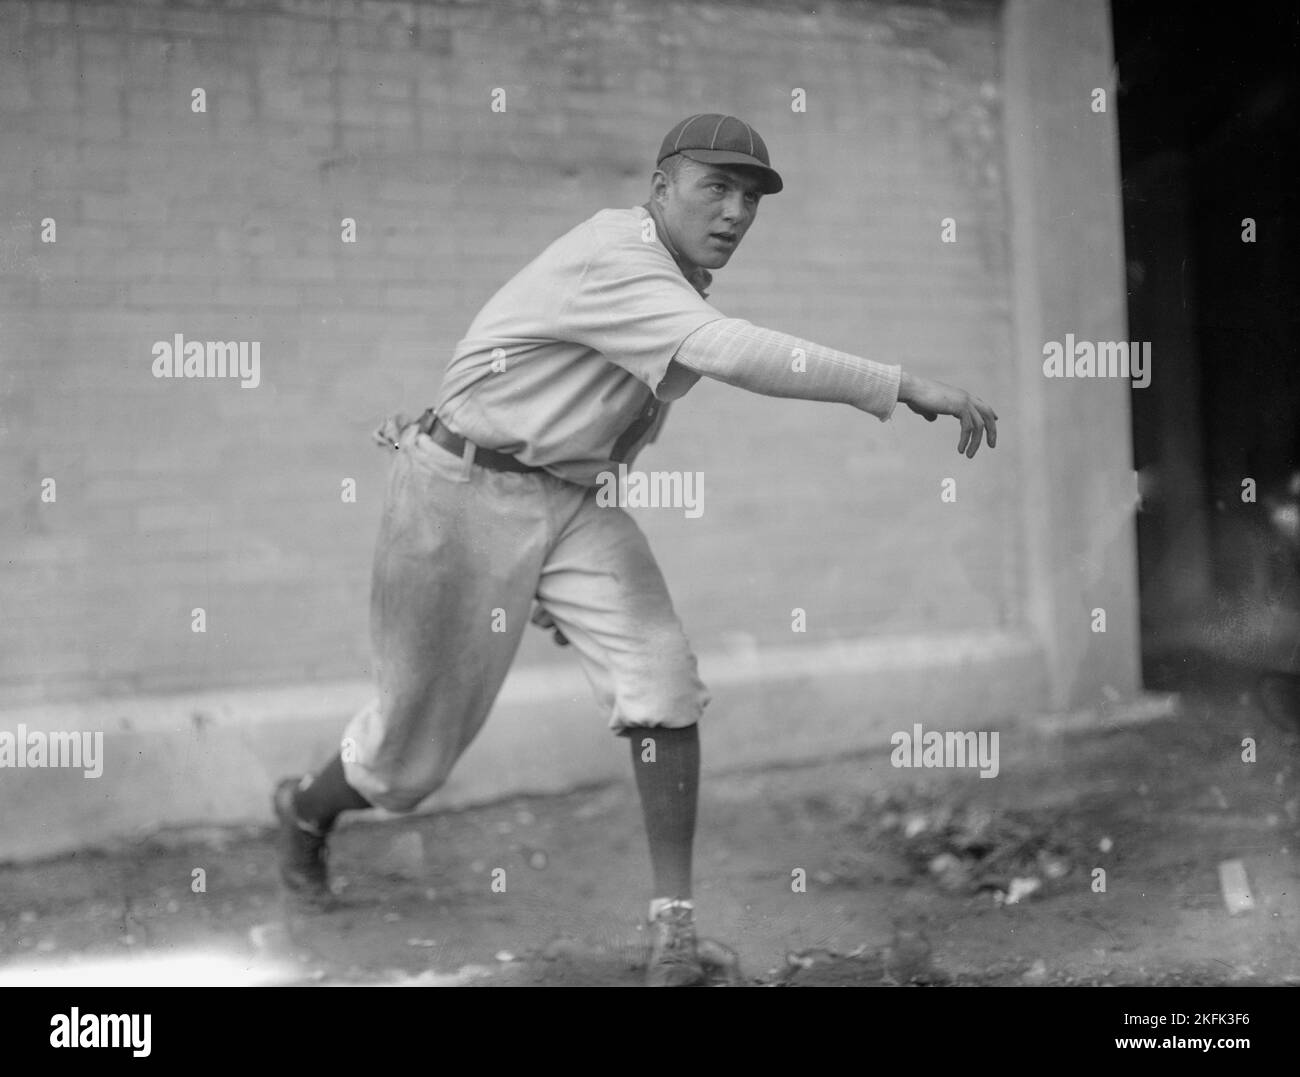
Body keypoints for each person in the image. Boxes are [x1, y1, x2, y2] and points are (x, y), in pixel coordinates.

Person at [274, 113, 999, 987]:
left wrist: (554, 572)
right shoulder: (616, 257)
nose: (734, 211)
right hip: (457, 495)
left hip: (569, 500)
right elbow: (731, 353)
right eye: (714, 187)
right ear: (661, 189)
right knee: (406, 759)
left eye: (749, 196)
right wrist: (899, 385)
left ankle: (673, 932)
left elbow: (608, 426)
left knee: (662, 674)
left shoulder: (677, 287)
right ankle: (307, 811)